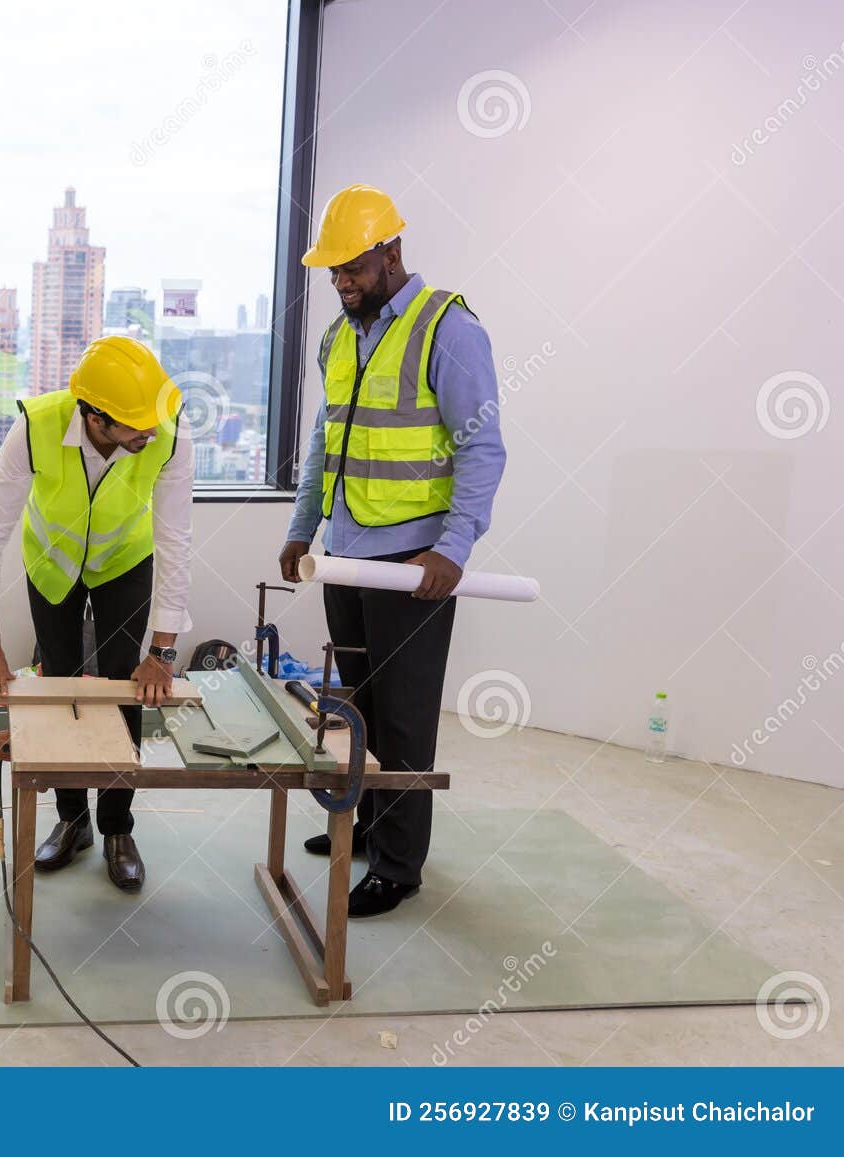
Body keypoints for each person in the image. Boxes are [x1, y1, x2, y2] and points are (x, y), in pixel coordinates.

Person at [279, 183, 506, 917]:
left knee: (404, 720)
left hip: (411, 562)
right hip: (345, 553)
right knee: (359, 709)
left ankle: (399, 866)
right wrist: (302, 527)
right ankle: (369, 826)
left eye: (353, 267)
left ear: (392, 252)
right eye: (334, 271)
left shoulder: (448, 329)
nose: (342, 282)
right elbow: (324, 442)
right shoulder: (338, 337)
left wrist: (453, 548)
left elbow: (483, 448)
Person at [0, 336, 193, 892]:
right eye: (136, 423)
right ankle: (73, 820)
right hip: (52, 562)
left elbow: (176, 542)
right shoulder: (35, 427)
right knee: (57, 685)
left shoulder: (169, 431)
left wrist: (162, 652)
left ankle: (117, 827)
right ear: (95, 417)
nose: (150, 431)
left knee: (124, 687)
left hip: (124, 561)